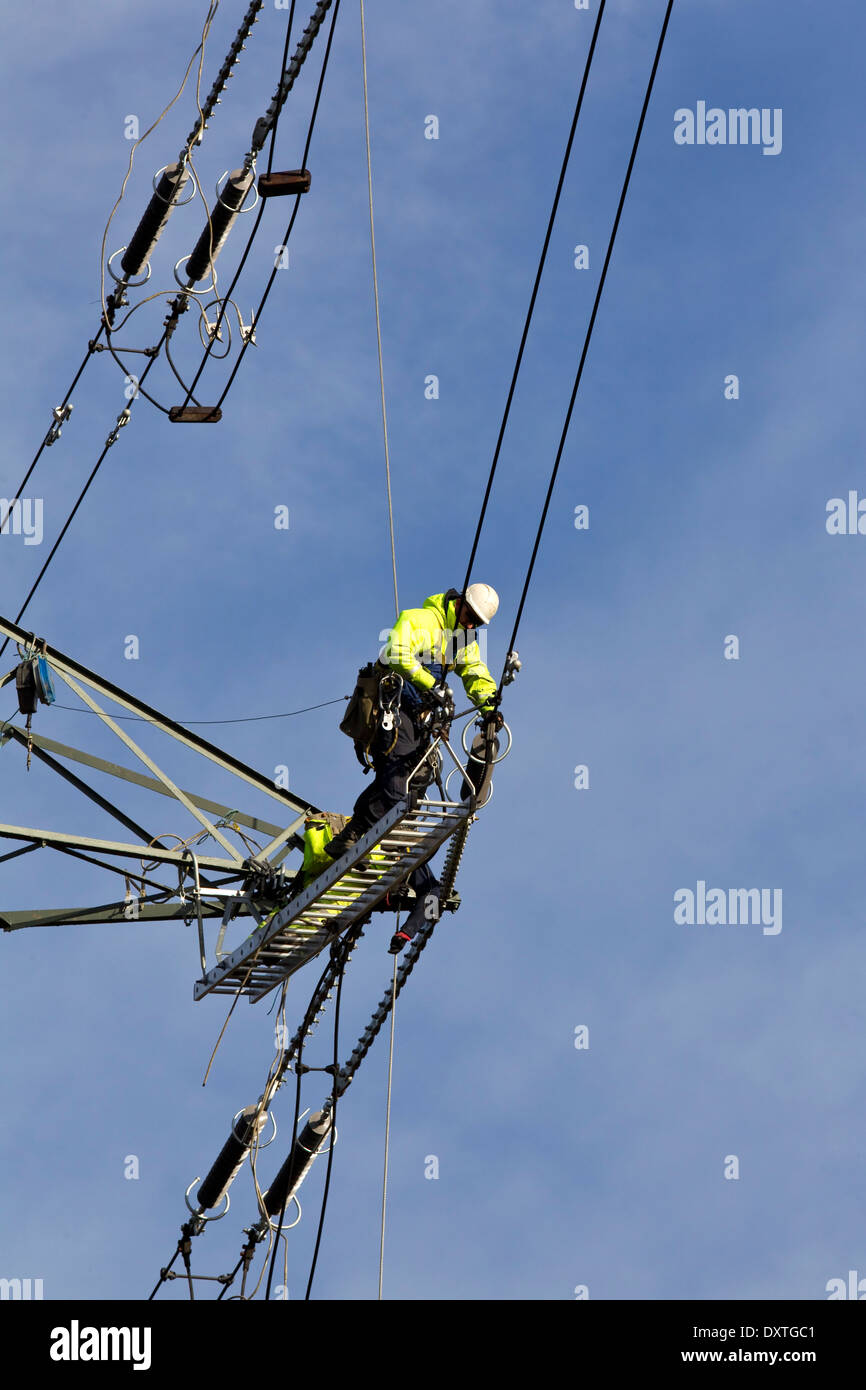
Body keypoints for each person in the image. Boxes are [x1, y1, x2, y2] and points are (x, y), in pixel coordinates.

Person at [324, 584, 501, 867]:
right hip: (394, 705)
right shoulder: (422, 620)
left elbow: (475, 673)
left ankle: (352, 834)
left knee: (422, 773)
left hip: (420, 714)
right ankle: (398, 831)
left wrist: (491, 707)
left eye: (477, 623)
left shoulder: (463, 640)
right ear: (459, 603)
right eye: (469, 616)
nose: (470, 624)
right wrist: (431, 684)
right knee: (398, 773)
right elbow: (396, 652)